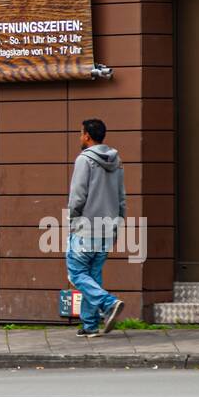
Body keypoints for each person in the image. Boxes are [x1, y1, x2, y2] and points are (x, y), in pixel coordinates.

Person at [67, 118, 126, 338]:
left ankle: (108, 303)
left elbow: (77, 196)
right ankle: (90, 325)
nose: (80, 137)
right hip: (107, 227)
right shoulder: (116, 161)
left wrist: (73, 221)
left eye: (81, 133)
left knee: (77, 273)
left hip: (87, 227)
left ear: (87, 136)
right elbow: (121, 198)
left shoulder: (84, 160)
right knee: (93, 275)